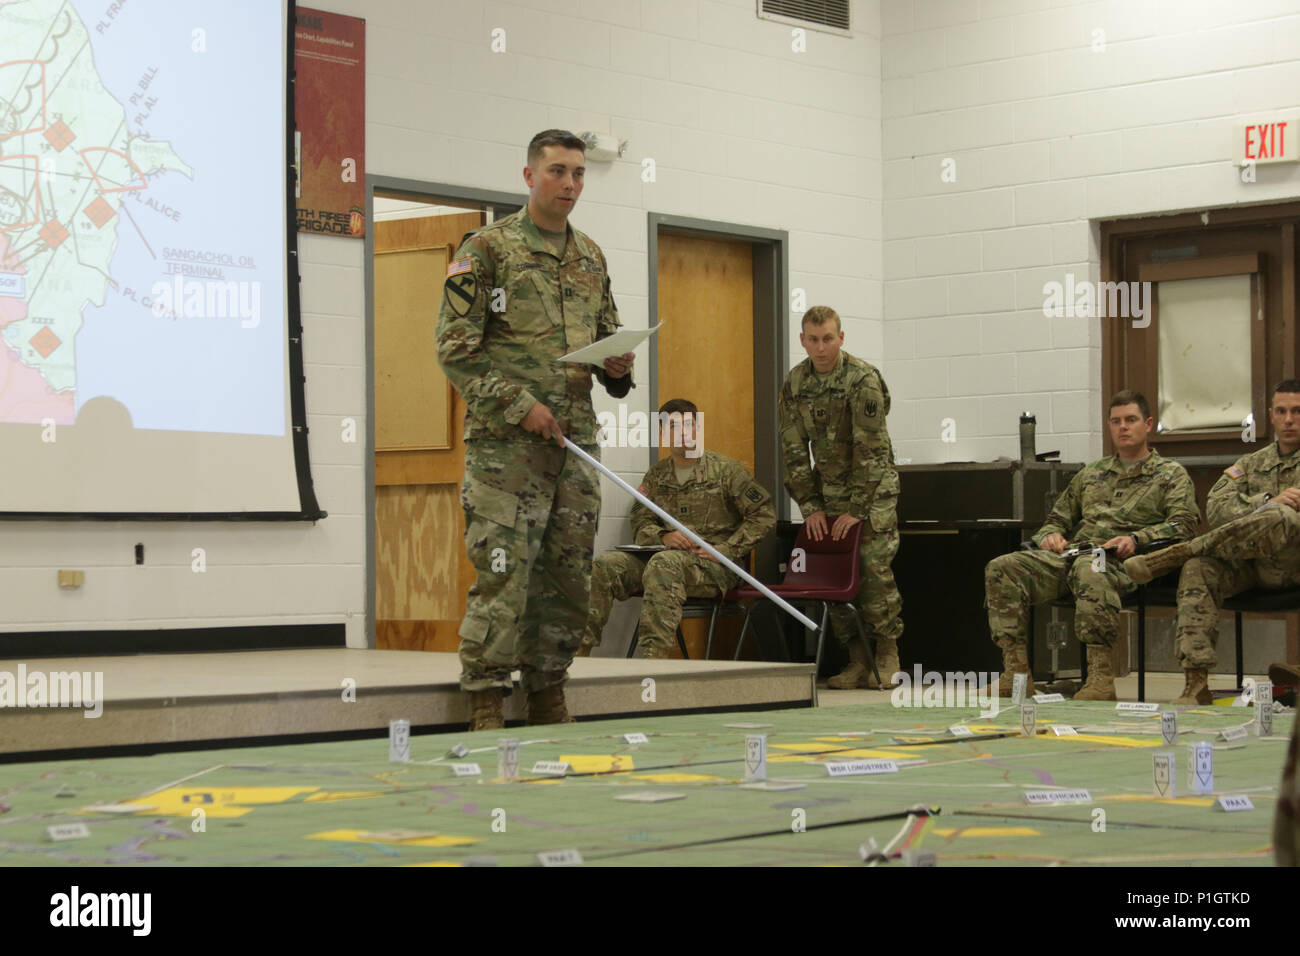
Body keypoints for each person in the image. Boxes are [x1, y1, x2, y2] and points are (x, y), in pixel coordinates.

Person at [435, 129, 634, 731]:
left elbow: (608, 339)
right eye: (557, 171)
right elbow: (456, 350)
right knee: (504, 571)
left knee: (568, 576)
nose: (570, 183)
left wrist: (619, 368)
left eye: (577, 173)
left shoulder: (592, 256)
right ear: (529, 176)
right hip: (507, 451)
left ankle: (548, 690)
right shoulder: (486, 250)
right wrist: (519, 405)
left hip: (574, 444)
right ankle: (486, 700)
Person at [984, 390, 1198, 699]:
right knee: (1003, 567)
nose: (1123, 427)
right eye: (1116, 421)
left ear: (1148, 424)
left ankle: (1100, 677)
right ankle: (1016, 673)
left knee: (1090, 568)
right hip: (1074, 556)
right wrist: (1050, 536)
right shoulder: (1091, 474)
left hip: (1128, 562)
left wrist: (1137, 539)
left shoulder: (1169, 475)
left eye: (1131, 420)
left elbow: (1184, 524)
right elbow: (1055, 520)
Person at [1124, 380, 1300, 704]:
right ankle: (1196, 683)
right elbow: (1216, 508)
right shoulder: (1250, 464)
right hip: (1251, 564)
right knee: (1199, 567)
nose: (1289, 419)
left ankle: (1177, 552)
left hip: (1295, 562)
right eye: (1281, 411)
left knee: (1284, 518)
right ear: (1271, 416)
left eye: (1297, 411)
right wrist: (1264, 501)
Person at [578, 399, 776, 658]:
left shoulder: (726, 470)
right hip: (664, 557)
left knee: (664, 564)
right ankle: (579, 654)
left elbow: (764, 514)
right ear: (663, 434)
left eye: (688, 425)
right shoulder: (657, 476)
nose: (682, 432)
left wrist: (727, 548)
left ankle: (654, 662)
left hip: (714, 566)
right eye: (673, 426)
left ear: (698, 429)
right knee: (605, 566)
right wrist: (663, 535)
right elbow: (639, 519)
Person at [778, 305, 902, 689]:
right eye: (813, 340)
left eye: (828, 338)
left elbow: (872, 450)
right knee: (832, 569)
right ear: (802, 340)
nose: (821, 348)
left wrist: (858, 509)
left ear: (841, 338)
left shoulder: (861, 379)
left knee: (872, 566)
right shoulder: (796, 382)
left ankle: (887, 651)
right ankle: (856, 657)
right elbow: (794, 449)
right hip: (827, 489)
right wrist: (811, 506)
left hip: (872, 487)